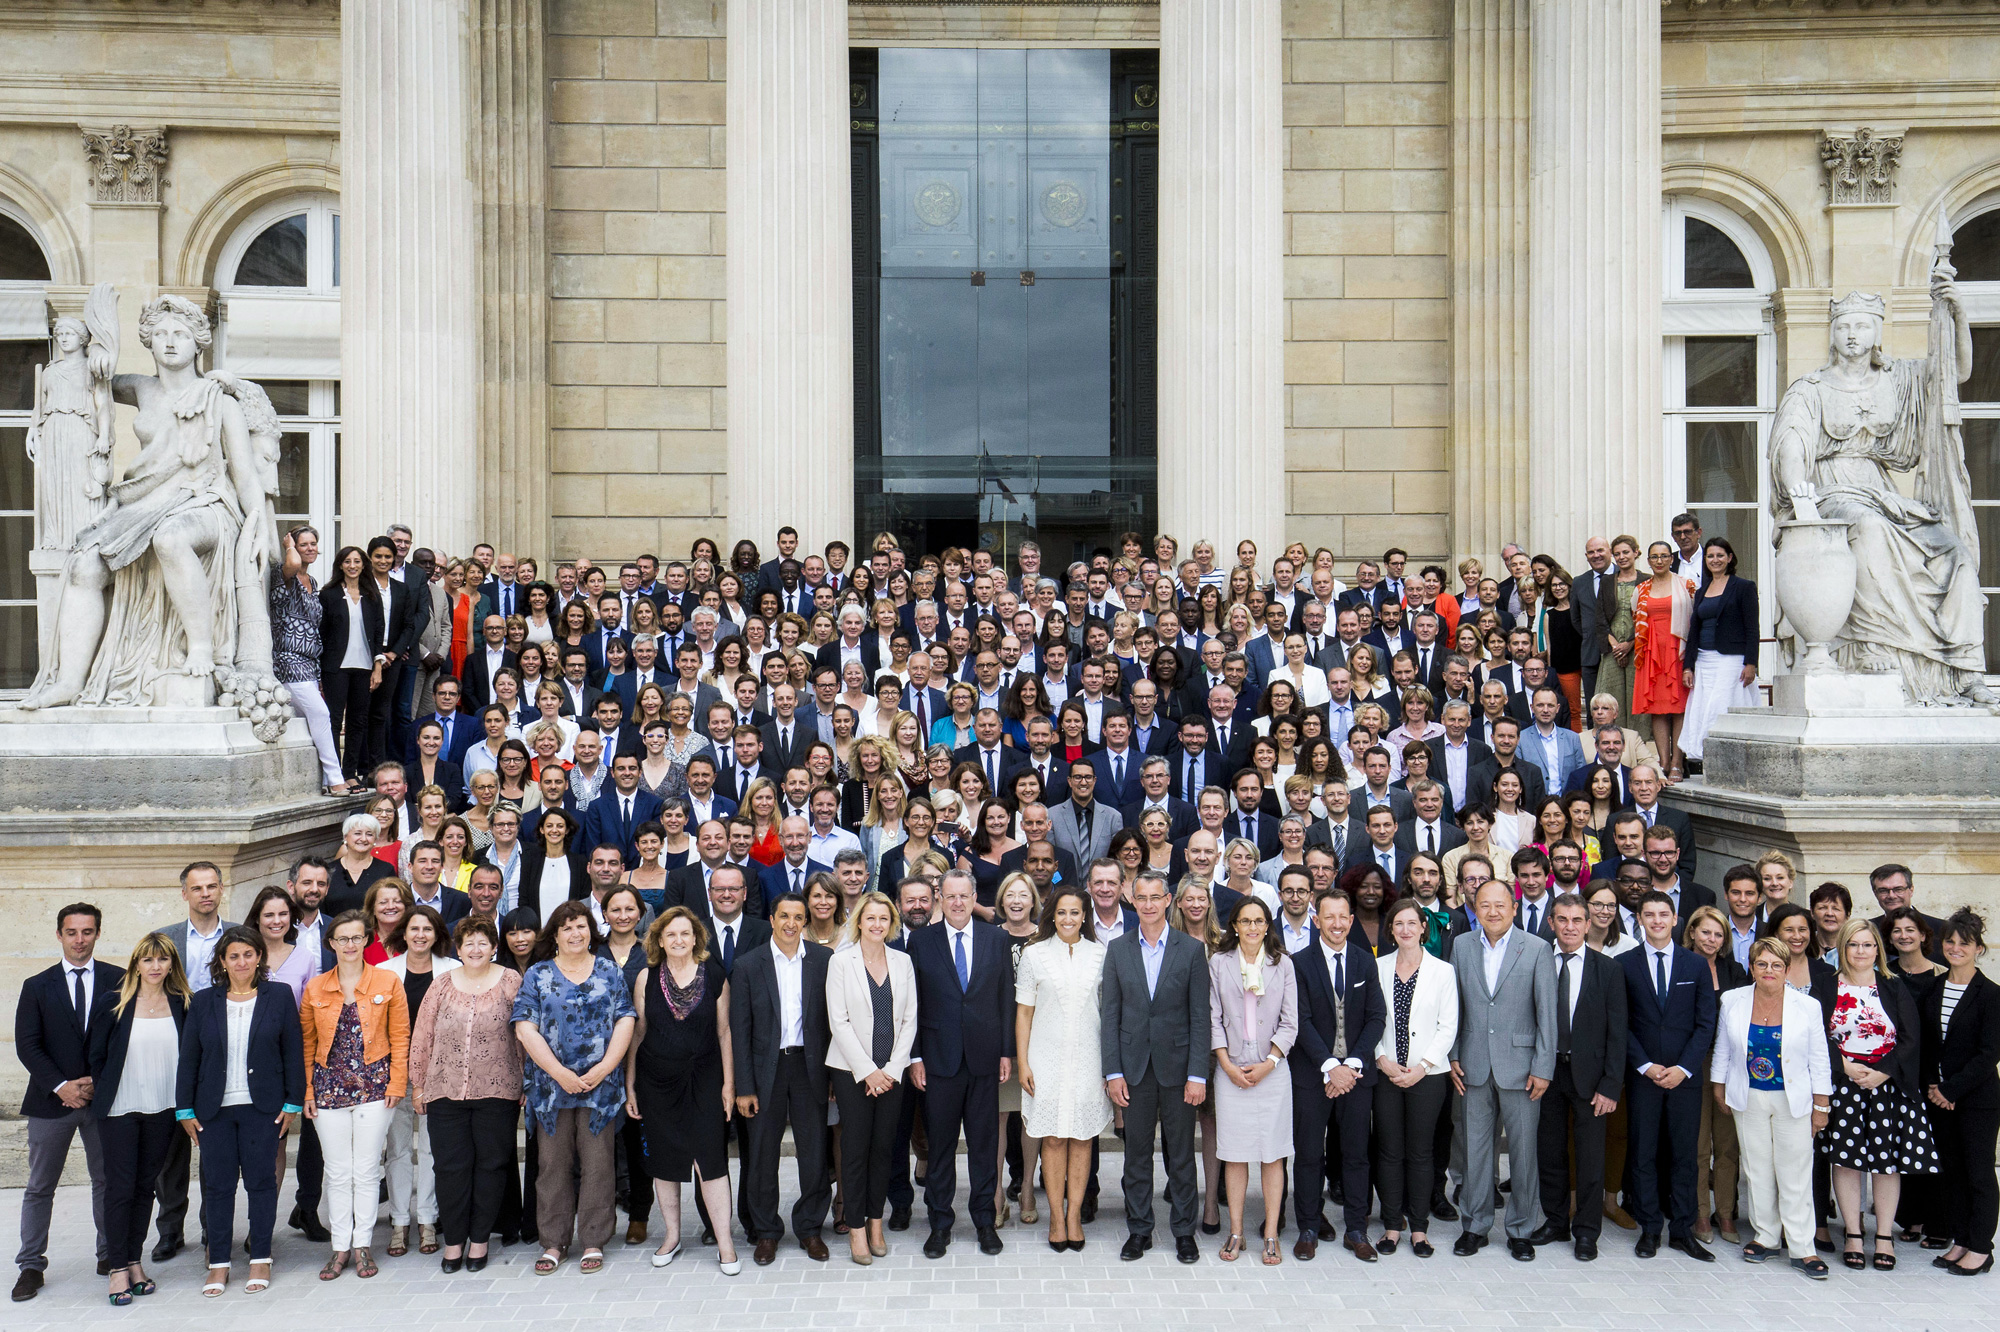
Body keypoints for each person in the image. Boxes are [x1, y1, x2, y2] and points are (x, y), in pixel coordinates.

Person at [174, 926, 305, 1297]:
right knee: (216, 1186)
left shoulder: (278, 996)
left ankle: (260, 1256)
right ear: (222, 961)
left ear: (259, 958)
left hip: (263, 1108)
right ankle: (218, 1264)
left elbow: (292, 1051)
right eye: (233, 956)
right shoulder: (203, 1001)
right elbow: (189, 1059)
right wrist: (184, 1109)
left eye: (248, 954)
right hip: (212, 1110)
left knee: (261, 1182)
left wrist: (292, 1102)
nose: (241, 962)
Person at [512, 900, 638, 1275]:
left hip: (600, 1087)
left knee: (599, 1164)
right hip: (551, 1089)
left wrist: (604, 1068)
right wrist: (558, 1073)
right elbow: (524, 1026)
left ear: (591, 931)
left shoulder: (608, 972)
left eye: (581, 926)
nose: (575, 933)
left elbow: (626, 1019)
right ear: (555, 934)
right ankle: (553, 1241)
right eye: (566, 927)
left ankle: (594, 1239)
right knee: (552, 1165)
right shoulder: (537, 974)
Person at [624, 905, 743, 1275]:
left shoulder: (716, 974)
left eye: (685, 934)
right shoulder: (646, 977)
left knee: (710, 1160)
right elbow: (637, 1033)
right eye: (671, 934)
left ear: (696, 939)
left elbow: (725, 1032)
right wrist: (630, 1084)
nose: (679, 939)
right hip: (656, 1081)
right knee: (665, 1161)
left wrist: (729, 1083)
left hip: (706, 1078)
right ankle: (672, 1236)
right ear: (660, 939)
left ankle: (725, 1241)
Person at [13, 902, 121, 1303]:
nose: (80, 940)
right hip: (49, 1102)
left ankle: (110, 1256)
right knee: (40, 1186)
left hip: (101, 1101)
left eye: (87, 932)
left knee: (107, 1181)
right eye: (72, 932)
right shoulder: (36, 986)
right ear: (59, 935)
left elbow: (122, 1039)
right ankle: (30, 1266)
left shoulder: (118, 979)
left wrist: (98, 1080)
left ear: (97, 934)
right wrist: (62, 1085)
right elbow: (27, 1046)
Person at [907, 869, 1016, 1258]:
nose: (956, 903)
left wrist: (1007, 1051)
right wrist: (915, 1056)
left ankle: (985, 1221)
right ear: (939, 898)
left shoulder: (996, 938)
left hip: (985, 1059)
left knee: (985, 1146)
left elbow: (1005, 999)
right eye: (949, 896)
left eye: (963, 896)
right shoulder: (921, 941)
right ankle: (940, 1223)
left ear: (974, 899)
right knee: (940, 1148)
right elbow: (912, 1004)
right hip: (938, 1060)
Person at [1710, 937, 1833, 1280]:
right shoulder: (1732, 1000)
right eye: (1761, 964)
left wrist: (1822, 1104)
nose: (1769, 971)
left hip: (1792, 1098)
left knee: (1794, 1171)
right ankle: (1765, 1236)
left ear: (1787, 969)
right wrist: (1719, 1087)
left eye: (1776, 965)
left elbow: (1819, 1058)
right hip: (1747, 1095)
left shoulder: (1806, 1006)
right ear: (1751, 966)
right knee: (1756, 1168)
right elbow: (1723, 1049)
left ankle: (1802, 1247)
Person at [407, 916, 523, 1274]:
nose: (475, 949)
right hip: (444, 1090)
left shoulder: (510, 981)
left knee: (490, 1165)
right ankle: (454, 1242)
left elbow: (524, 1033)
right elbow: (423, 1034)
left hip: (498, 1090)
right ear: (458, 949)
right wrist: (419, 1084)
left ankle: (480, 1240)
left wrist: (524, 1082)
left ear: (493, 947)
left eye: (483, 942)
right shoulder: (441, 984)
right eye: (468, 943)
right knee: (449, 1168)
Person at [1449, 877, 1557, 1260]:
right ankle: (1474, 1226)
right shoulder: (1461, 946)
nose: (1492, 912)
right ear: (1474, 910)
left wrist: (1543, 1066)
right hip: (1473, 1064)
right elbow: (1454, 1005)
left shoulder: (1537, 948)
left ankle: (1521, 1229)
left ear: (1514, 908)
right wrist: (1453, 1055)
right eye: (1484, 905)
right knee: (1475, 1151)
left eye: (1500, 905)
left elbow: (1547, 1012)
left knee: (1524, 1153)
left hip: (1523, 1066)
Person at [300, 909, 410, 1280]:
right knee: (336, 1171)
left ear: (367, 940)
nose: (350, 944)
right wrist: (308, 1090)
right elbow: (306, 1043)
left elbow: (400, 1037)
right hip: (328, 1089)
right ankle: (339, 1248)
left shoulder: (388, 981)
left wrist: (397, 1083)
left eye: (356, 937)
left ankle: (362, 1245)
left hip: (375, 1086)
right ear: (331, 944)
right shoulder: (316, 988)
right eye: (342, 939)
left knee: (365, 1170)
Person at [1825, 917, 1936, 1272]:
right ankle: (1854, 1233)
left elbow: (1910, 1036)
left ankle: (1884, 1235)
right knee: (1845, 1161)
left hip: (1887, 1085)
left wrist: (1882, 1072)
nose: (1861, 951)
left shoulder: (1893, 986)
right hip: (1844, 1085)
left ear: (1878, 949)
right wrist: (1843, 1065)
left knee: (1886, 1164)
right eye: (1854, 944)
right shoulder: (1827, 987)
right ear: (1843, 947)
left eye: (1868, 944)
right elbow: (1814, 1034)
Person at [729, 892, 835, 1265]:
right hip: (764, 1070)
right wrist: (744, 1087)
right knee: (761, 1154)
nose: (791, 923)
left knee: (813, 1153)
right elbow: (738, 1031)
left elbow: (834, 1021)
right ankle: (766, 1232)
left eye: (798, 917)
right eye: (784, 916)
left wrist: (835, 1075)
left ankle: (809, 1228)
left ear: (806, 921)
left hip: (811, 1068)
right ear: (771, 919)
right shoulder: (747, 965)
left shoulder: (824, 960)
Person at [1620, 891, 1720, 1262]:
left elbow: (1706, 1022)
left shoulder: (1695, 966)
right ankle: (1649, 1229)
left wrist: (1683, 1068)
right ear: (1640, 920)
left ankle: (1682, 1229)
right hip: (1644, 1076)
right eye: (1650, 914)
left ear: (1676, 919)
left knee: (1684, 1156)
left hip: (1685, 1078)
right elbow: (1622, 1023)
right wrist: (1645, 1065)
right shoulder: (1625, 964)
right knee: (1643, 1153)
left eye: (1664, 914)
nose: (1658, 921)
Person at [88, 933, 188, 1305]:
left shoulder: (181, 1003)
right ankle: (116, 1269)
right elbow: (96, 1056)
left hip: (163, 1107)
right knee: (120, 1187)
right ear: (136, 964)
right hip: (120, 1107)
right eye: (148, 960)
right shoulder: (114, 1003)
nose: (155, 966)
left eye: (162, 960)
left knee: (146, 1186)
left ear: (172, 965)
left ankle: (133, 1261)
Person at [1527, 892, 1626, 1262]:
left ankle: (1586, 1232)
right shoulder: (1537, 963)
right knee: (1550, 1152)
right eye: (1562, 920)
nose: (1569, 927)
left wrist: (1610, 1085)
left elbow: (1618, 1033)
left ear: (1588, 924)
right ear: (1551, 923)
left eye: (1576, 920)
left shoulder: (1609, 970)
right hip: (1545, 1073)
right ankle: (1554, 1221)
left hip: (1591, 1078)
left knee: (1589, 1157)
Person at [1290, 888, 1387, 1263]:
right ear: (1316, 921)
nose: (1336, 923)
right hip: (1313, 1076)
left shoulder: (1365, 962)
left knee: (1357, 1154)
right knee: (1310, 1154)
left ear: (1350, 920)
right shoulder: (1299, 963)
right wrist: (1331, 1066)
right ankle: (1309, 1227)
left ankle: (1357, 1230)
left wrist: (1354, 1064)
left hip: (1358, 1077)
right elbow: (1301, 1020)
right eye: (1328, 917)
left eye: (1342, 917)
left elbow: (1376, 1017)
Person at [1013, 885, 1112, 1253]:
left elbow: (1110, 1012)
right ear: (1051, 915)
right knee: (1053, 1137)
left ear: (1085, 916)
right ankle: (1056, 1216)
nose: (1068, 919)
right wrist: (1023, 1061)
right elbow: (1024, 1013)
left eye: (1075, 912)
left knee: (1083, 1137)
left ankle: (1074, 1217)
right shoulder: (1034, 954)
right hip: (1045, 1057)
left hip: (1090, 1057)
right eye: (1062, 912)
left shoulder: (1101, 954)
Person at [826, 891, 919, 1264]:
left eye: (884, 918)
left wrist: (892, 1070)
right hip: (852, 1071)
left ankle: (876, 1221)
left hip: (892, 1073)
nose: (877, 924)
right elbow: (839, 1021)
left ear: (891, 923)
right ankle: (857, 1230)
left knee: (885, 1149)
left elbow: (910, 1018)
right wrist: (868, 1071)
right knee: (855, 1149)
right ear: (859, 921)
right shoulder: (840, 962)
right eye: (871, 918)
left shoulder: (903, 962)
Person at [1207, 896, 1297, 1265]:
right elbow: (1212, 1018)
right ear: (1235, 925)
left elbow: (1291, 1022)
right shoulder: (1219, 963)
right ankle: (1236, 1231)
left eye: (1260, 921)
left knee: (1272, 1155)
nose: (1253, 927)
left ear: (1267, 926)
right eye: (1246, 921)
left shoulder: (1283, 965)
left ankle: (1271, 1234)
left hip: (1271, 1072)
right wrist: (1226, 1065)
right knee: (1235, 1154)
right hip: (1231, 1071)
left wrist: (1270, 1062)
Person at [1370, 897, 1457, 1260]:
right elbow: (1369, 1019)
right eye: (1398, 924)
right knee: (1389, 1152)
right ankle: (1392, 1226)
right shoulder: (1377, 967)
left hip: (1428, 1074)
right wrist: (1382, 1060)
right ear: (1391, 930)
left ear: (1424, 928)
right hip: (1386, 1072)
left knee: (1421, 1153)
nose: (1406, 930)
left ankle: (1419, 1230)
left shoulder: (1443, 971)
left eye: (1412, 923)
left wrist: (1422, 1066)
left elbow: (1448, 1025)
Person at [1921, 908, 2000, 1274]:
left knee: (1978, 1173)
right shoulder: (1935, 987)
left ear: (1978, 948)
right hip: (1941, 1098)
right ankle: (1962, 1239)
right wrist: (1935, 1089)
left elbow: (1989, 1054)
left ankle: (1982, 1247)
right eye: (1949, 942)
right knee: (1951, 1172)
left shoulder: (1991, 995)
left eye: (1963, 943)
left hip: (1976, 1100)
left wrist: (1951, 1089)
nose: (1955, 948)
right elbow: (1929, 1045)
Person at [380, 906, 459, 1258]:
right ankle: (399, 1220)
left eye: (427, 929)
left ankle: (427, 1218)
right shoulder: (384, 971)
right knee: (397, 1150)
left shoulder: (452, 970)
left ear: (436, 933)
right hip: (395, 1073)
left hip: (437, 1073)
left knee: (430, 1149)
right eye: (414, 928)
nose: (420, 935)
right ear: (404, 933)